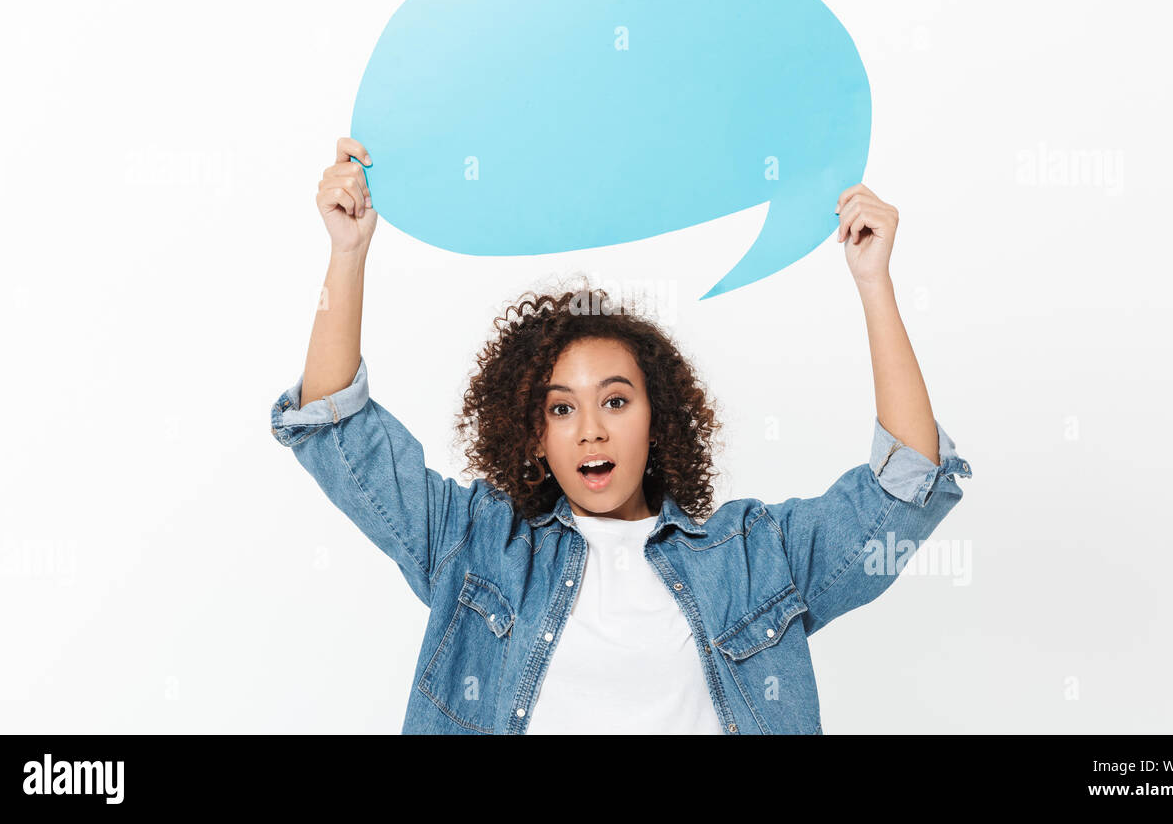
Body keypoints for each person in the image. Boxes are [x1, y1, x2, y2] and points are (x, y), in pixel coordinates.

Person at [270, 136, 973, 734]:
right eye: (561, 410)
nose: (591, 431)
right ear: (533, 433)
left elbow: (905, 486)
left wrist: (873, 281)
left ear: (657, 419)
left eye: (615, 399)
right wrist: (348, 250)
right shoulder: (478, 543)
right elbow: (337, 432)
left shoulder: (755, 559)